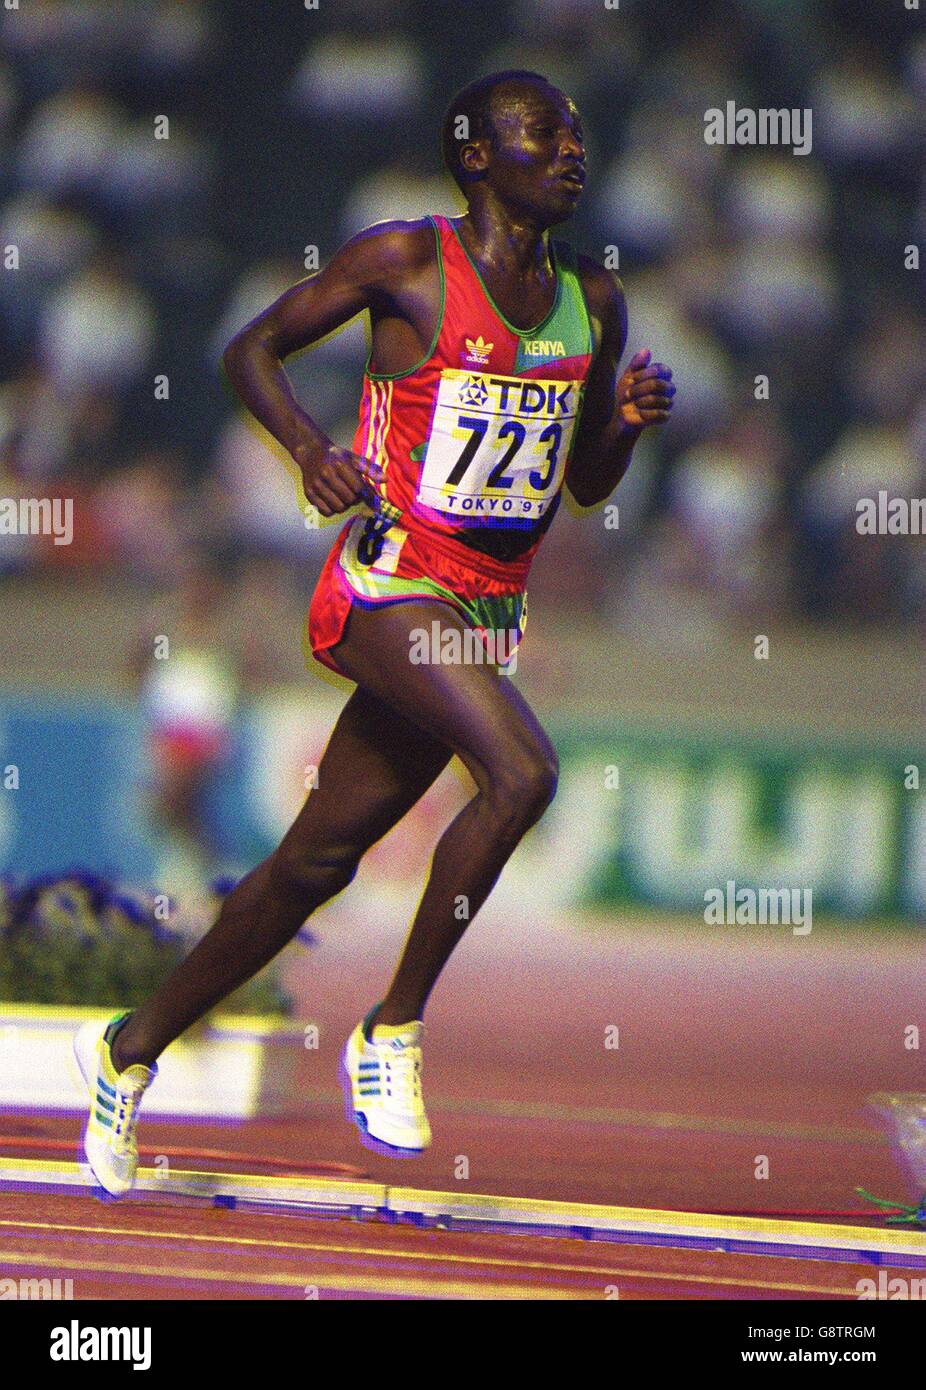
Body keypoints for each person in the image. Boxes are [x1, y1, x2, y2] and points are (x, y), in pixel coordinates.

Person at [74, 69, 675, 1193]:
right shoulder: (404, 262)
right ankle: (389, 1030)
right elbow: (246, 350)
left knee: (315, 858)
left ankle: (123, 1051)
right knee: (521, 772)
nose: (571, 151)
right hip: (390, 582)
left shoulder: (593, 302)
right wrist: (310, 451)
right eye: (541, 134)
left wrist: (626, 429)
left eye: (578, 135)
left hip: (482, 606)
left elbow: (583, 482)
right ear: (476, 157)